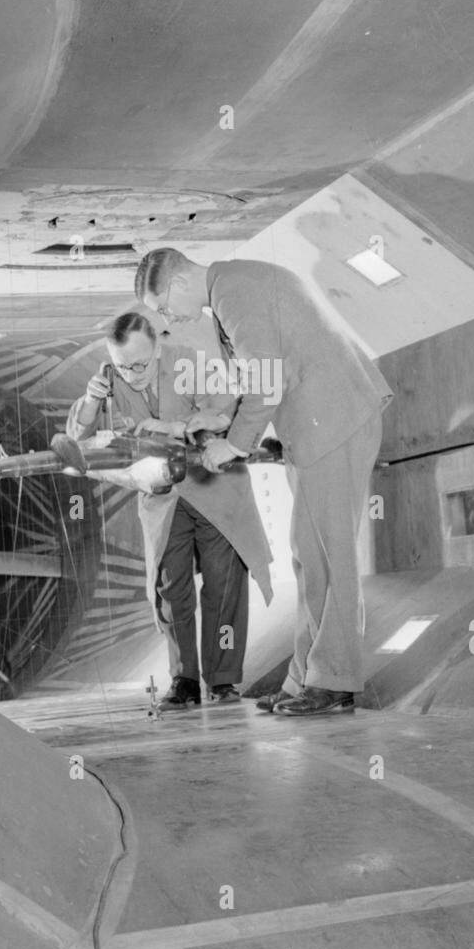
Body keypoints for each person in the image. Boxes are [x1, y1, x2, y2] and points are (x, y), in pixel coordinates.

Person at [136, 249, 392, 716]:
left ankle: (334, 681)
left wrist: (233, 447)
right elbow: (265, 375)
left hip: (334, 420)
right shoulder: (237, 286)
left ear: (174, 283)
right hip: (316, 424)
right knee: (307, 552)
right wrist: (206, 423)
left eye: (162, 307)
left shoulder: (235, 292)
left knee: (329, 553)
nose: (167, 318)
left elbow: (265, 383)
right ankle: (306, 680)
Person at [65, 310, 272, 710]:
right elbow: (77, 440)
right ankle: (184, 680)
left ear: (157, 346)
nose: (132, 374)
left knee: (223, 587)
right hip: (164, 498)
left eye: (140, 364)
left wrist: (167, 428)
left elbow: (225, 417)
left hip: (216, 491)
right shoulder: (109, 379)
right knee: (170, 590)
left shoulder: (191, 364)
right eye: (124, 366)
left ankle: (224, 681)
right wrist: (91, 400)